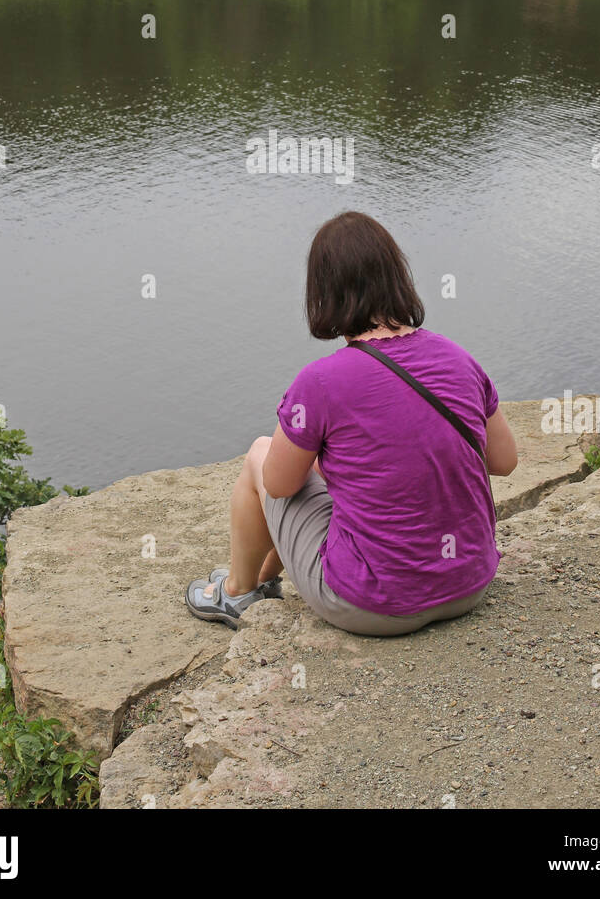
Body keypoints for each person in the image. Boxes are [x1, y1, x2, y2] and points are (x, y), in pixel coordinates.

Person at [186, 211, 517, 636]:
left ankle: (237, 592)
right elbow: (505, 461)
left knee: (259, 455)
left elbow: (281, 485)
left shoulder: (321, 382)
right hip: (468, 586)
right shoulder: (459, 359)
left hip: (373, 607)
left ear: (325, 293)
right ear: (398, 277)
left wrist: (328, 461)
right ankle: (263, 579)